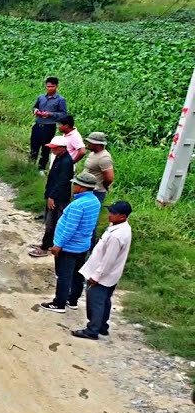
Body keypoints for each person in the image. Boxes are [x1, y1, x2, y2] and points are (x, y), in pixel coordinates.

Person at [41, 172, 102, 314]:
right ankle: (72, 300)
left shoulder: (77, 205)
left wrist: (58, 245)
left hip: (69, 247)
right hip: (83, 245)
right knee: (78, 274)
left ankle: (59, 303)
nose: (73, 186)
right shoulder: (95, 202)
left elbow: (70, 228)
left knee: (64, 276)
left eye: (76, 184)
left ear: (82, 187)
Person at [71, 201, 132, 340]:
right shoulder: (120, 228)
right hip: (111, 275)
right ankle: (102, 326)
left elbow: (108, 260)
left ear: (122, 217)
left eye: (113, 213)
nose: (109, 215)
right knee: (104, 301)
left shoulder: (117, 236)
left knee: (95, 302)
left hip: (103, 275)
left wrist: (96, 276)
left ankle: (92, 330)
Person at [29, 136, 74, 258]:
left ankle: (45, 247)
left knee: (52, 223)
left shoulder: (66, 162)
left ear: (61, 148)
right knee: (50, 221)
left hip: (58, 198)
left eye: (54, 148)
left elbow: (62, 182)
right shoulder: (59, 158)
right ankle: (46, 244)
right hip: (54, 195)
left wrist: (52, 197)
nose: (52, 150)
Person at [30, 77, 67, 170]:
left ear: (57, 86)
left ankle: (41, 168)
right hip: (38, 125)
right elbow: (34, 107)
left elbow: (63, 114)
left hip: (49, 127)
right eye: (48, 86)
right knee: (34, 146)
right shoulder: (41, 97)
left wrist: (50, 114)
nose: (50, 88)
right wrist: (36, 111)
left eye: (52, 87)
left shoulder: (60, 100)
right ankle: (30, 165)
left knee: (46, 148)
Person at [83, 131, 114, 203]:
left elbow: (109, 178)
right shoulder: (92, 153)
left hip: (96, 191)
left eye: (89, 142)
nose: (87, 144)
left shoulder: (104, 157)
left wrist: (101, 186)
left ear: (96, 144)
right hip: (87, 188)